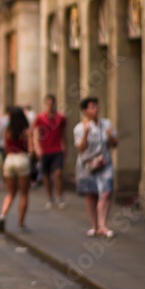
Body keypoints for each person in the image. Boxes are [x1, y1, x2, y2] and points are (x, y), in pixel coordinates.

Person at [74, 96, 118, 238]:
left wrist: (111, 137)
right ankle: (94, 225)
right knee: (91, 194)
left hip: (104, 163)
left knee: (106, 192)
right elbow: (81, 148)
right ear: (85, 110)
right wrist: (86, 134)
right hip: (87, 165)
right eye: (93, 106)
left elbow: (115, 144)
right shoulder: (80, 128)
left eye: (97, 106)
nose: (96, 109)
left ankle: (102, 225)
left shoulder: (106, 124)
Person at [0, 106, 33, 232]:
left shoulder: (8, 130)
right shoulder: (26, 131)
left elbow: (6, 149)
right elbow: (31, 150)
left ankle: (2, 216)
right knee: (24, 193)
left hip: (10, 160)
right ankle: (20, 223)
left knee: (11, 193)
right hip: (22, 159)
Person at [34, 94, 66, 209]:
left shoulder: (60, 118)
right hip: (45, 149)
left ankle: (60, 196)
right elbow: (36, 132)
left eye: (52, 103)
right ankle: (50, 197)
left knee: (58, 173)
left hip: (57, 149)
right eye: (48, 103)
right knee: (46, 174)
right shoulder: (40, 117)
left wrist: (64, 146)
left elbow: (63, 133)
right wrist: (37, 147)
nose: (50, 106)